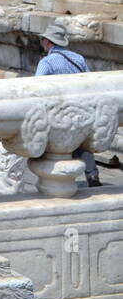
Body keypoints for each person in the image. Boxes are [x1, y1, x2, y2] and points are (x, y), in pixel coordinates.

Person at [35, 24, 102, 187]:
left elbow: (36, 85)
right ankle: (92, 175)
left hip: (58, 111)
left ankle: (57, 180)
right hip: (81, 109)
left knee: (53, 147)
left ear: (49, 42)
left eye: (43, 39)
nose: (42, 42)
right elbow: (89, 82)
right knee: (82, 144)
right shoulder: (78, 58)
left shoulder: (47, 62)